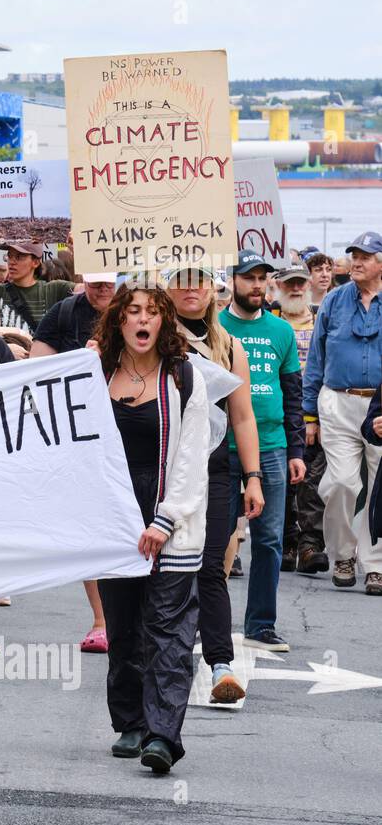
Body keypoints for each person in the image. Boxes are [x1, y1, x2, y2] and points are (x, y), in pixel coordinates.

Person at [94, 280, 209, 775]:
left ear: (163, 321)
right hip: (114, 514)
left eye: (152, 311)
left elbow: (192, 455)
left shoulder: (186, 376)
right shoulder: (95, 373)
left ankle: (164, 735)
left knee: (168, 629)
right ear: (119, 319)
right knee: (122, 624)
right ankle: (130, 721)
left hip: (170, 515)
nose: (142, 319)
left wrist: (165, 518)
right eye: (133, 311)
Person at [164, 265, 264, 701]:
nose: (192, 289)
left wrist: (254, 477)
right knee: (166, 568)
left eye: (200, 281)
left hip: (216, 472)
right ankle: (163, 655)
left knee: (209, 566)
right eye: (181, 280)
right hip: (164, 469)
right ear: (166, 288)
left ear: (212, 290)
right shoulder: (149, 335)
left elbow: (242, 416)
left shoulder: (229, 346)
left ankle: (221, 665)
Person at [219, 250, 305, 649]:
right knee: (214, 538)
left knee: (268, 539)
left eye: (261, 278)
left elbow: (292, 393)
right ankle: (206, 622)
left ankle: (260, 625)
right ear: (233, 280)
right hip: (221, 445)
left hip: (271, 445)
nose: (256, 285)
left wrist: (296, 451)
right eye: (248, 277)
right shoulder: (215, 326)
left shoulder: (281, 331)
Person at [30, 272, 118, 654]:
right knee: (93, 529)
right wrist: (79, 363)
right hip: (81, 438)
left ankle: (138, 616)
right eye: (95, 281)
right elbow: (36, 372)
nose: (102, 288)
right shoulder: (64, 313)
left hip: (133, 432)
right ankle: (101, 620)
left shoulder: (141, 311)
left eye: (109, 282)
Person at [303, 232, 382, 595]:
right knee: (342, 483)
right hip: (336, 401)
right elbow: (316, 360)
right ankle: (343, 554)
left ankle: (375, 564)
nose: (356, 262)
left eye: (365, 256)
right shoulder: (334, 302)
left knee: (379, 488)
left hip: (380, 406)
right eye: (353, 255)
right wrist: (308, 416)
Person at [271, 264, 328, 575]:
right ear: (279, 285)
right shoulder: (271, 319)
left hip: (314, 414)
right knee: (282, 482)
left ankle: (309, 545)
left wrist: (313, 416)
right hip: (276, 412)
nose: (296, 288)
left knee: (312, 482)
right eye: (290, 283)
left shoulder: (320, 319)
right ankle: (288, 542)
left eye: (300, 283)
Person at [0, 241, 75, 336]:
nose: (11, 262)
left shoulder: (54, 289)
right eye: (9, 256)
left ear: (35, 262)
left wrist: (80, 249)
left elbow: (88, 289)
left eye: (19, 257)